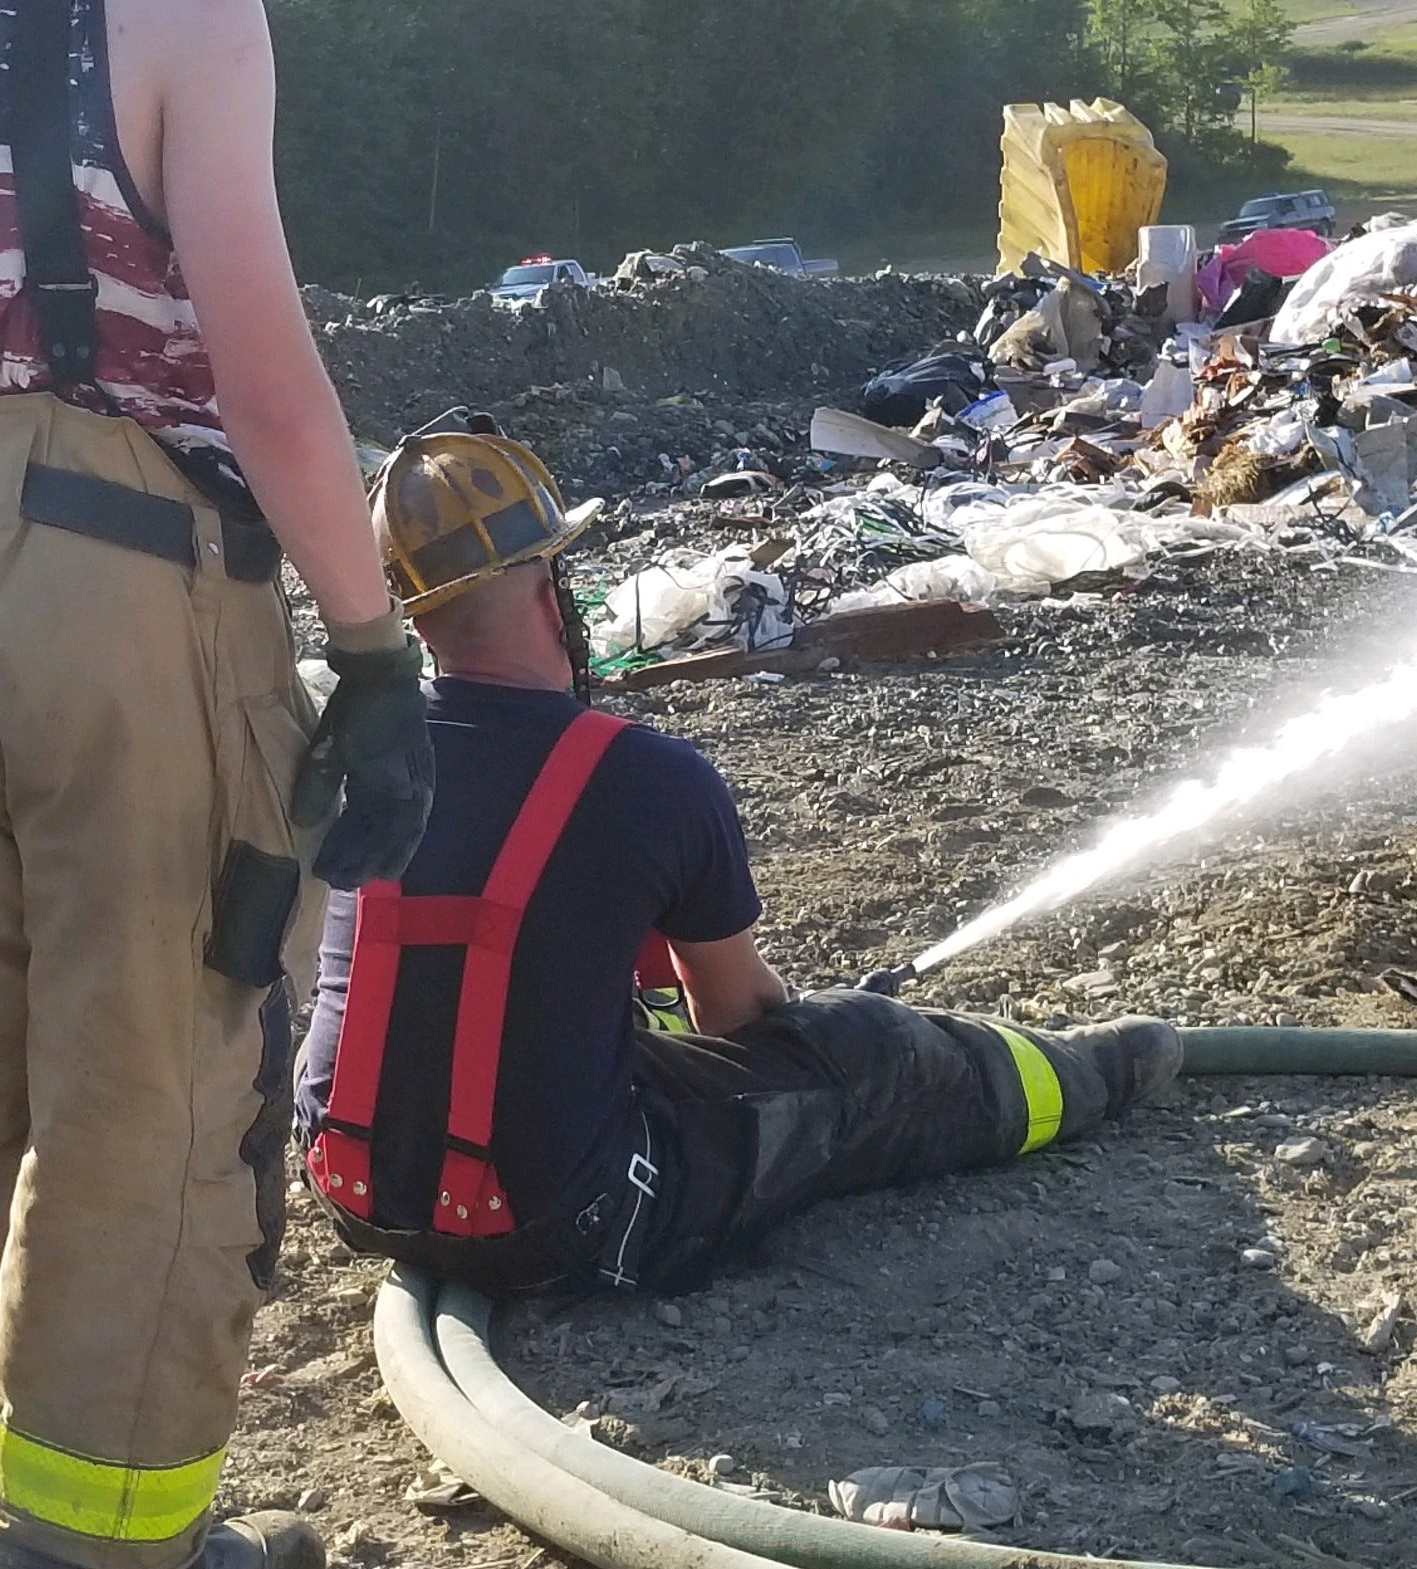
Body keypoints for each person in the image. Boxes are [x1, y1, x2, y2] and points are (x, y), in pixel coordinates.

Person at [0, 0, 432, 1566]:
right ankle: (92, 1539)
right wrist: (370, 652)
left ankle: (5, 1464)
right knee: (152, 1073)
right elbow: (274, 391)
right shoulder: (187, 9)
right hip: (131, 585)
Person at [292, 420, 1181, 1298]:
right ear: (546, 588)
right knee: (858, 1055)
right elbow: (738, 1017)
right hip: (567, 1219)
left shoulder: (371, 762)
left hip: (353, 1184)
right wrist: (807, 1027)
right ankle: (1099, 1073)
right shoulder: (649, 777)